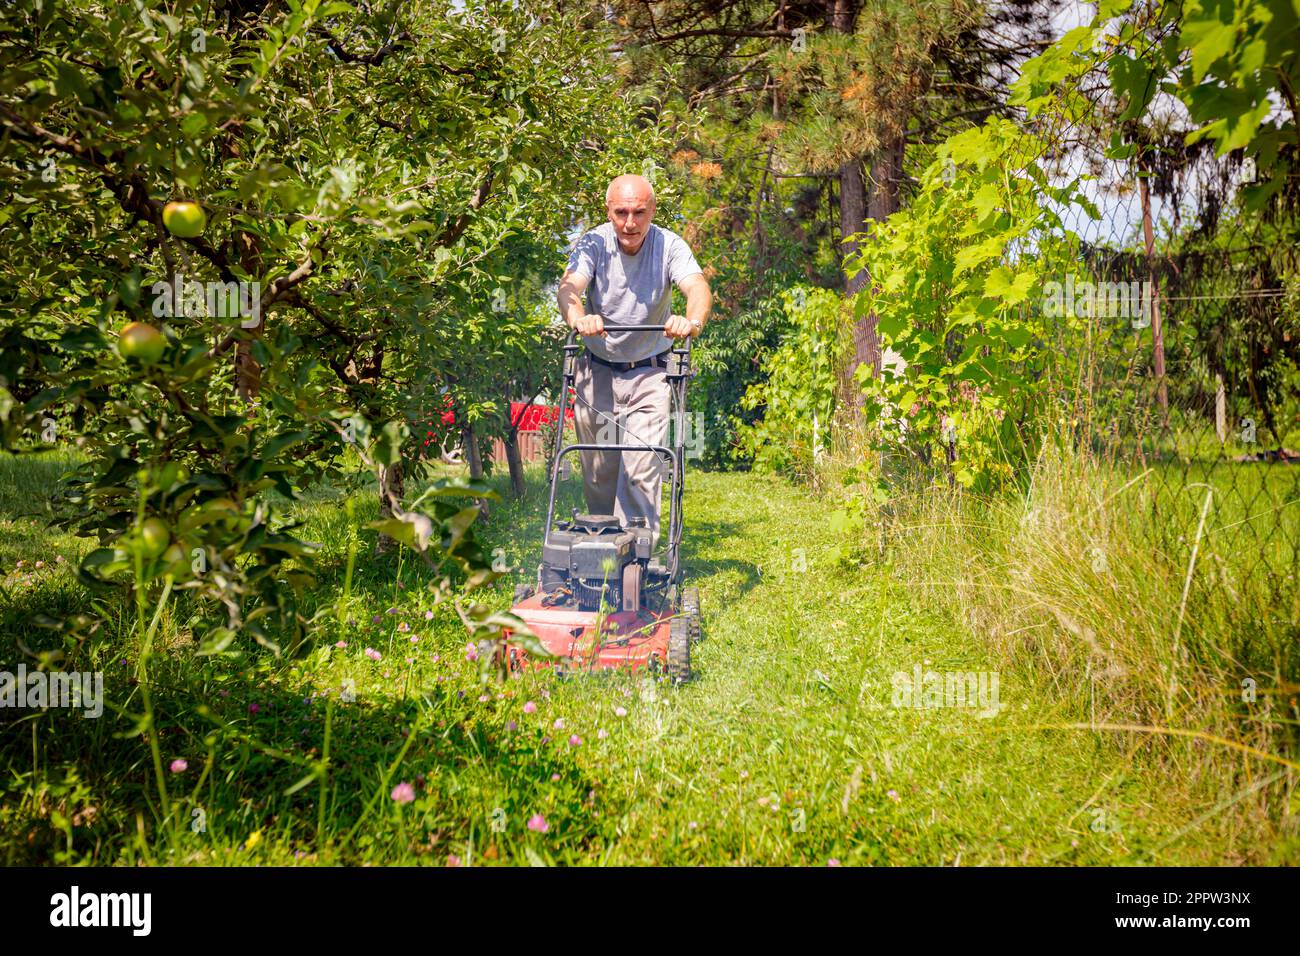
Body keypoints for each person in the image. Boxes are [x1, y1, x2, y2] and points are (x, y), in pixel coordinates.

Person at [556, 174, 712, 549]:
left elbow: (697, 287)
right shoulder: (592, 243)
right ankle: (598, 548)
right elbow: (569, 287)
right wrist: (579, 318)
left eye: (639, 212)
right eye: (622, 212)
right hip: (597, 373)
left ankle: (639, 558)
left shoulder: (668, 245)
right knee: (598, 472)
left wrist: (690, 322)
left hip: (649, 373)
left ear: (652, 211)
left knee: (642, 466)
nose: (630, 222)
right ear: (608, 212)